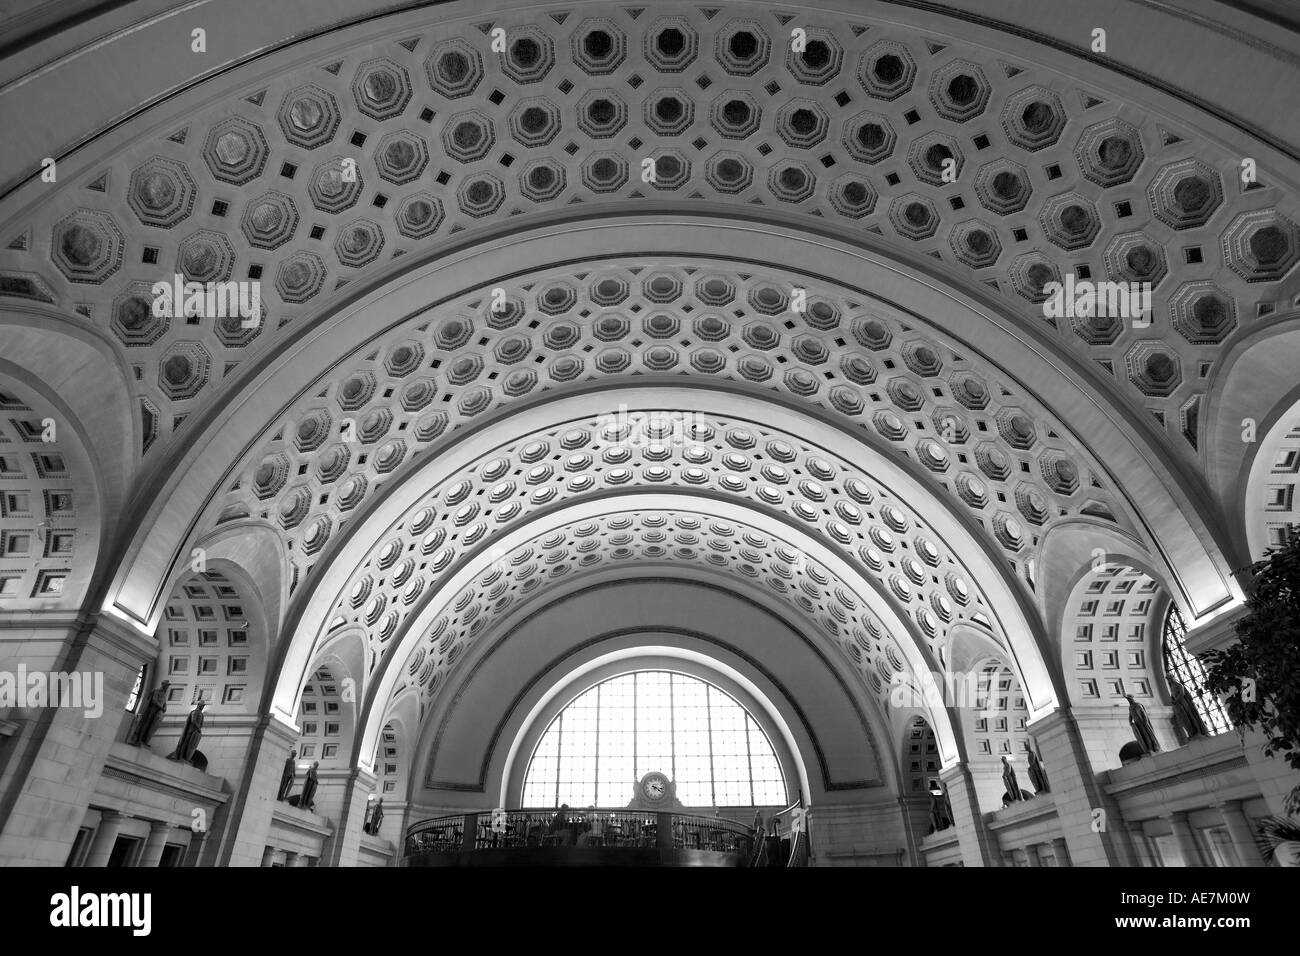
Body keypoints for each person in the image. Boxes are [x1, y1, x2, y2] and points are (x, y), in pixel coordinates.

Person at [130, 681, 170, 746]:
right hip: (151, 710)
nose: (167, 687)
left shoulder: (164, 694)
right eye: (167, 685)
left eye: (168, 685)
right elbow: (154, 701)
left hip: (157, 713)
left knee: (151, 726)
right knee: (145, 724)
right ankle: (138, 740)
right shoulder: (156, 691)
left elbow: (164, 703)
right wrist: (161, 708)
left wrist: (165, 707)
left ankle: (144, 740)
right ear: (163, 684)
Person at [168, 699, 205, 764]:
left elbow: (201, 723)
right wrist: (198, 728)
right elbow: (193, 721)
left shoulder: (201, 714)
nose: (202, 707)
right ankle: (181, 756)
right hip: (191, 731)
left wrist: (199, 729)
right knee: (186, 743)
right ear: (198, 705)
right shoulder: (195, 712)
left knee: (191, 745)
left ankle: (186, 757)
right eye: (202, 706)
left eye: (203, 706)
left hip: (195, 732)